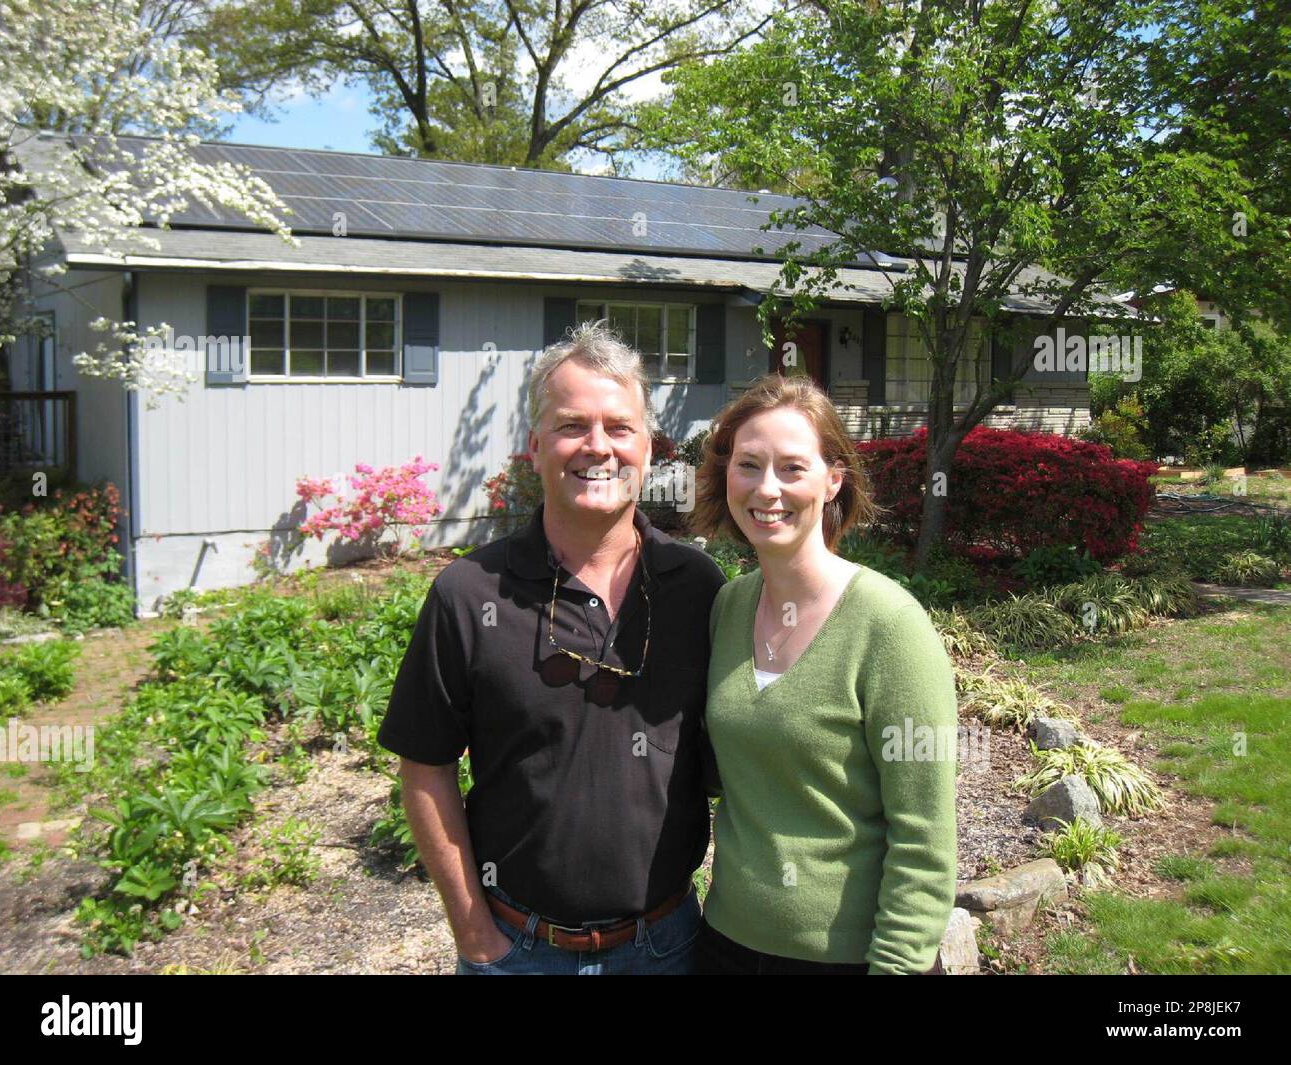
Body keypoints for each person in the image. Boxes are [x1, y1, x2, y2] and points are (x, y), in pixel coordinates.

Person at [376, 320, 725, 975]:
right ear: (535, 446)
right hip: (519, 951)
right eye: (572, 425)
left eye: (620, 427)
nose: (598, 446)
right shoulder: (468, 593)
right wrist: (475, 934)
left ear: (648, 447)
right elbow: (425, 766)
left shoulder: (698, 588)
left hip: (667, 945)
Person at [689, 374, 957, 975]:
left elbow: (924, 837)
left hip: (850, 959)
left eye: (792, 468)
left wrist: (899, 965)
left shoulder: (890, 627)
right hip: (725, 943)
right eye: (749, 465)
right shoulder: (728, 608)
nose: (767, 489)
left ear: (833, 478)